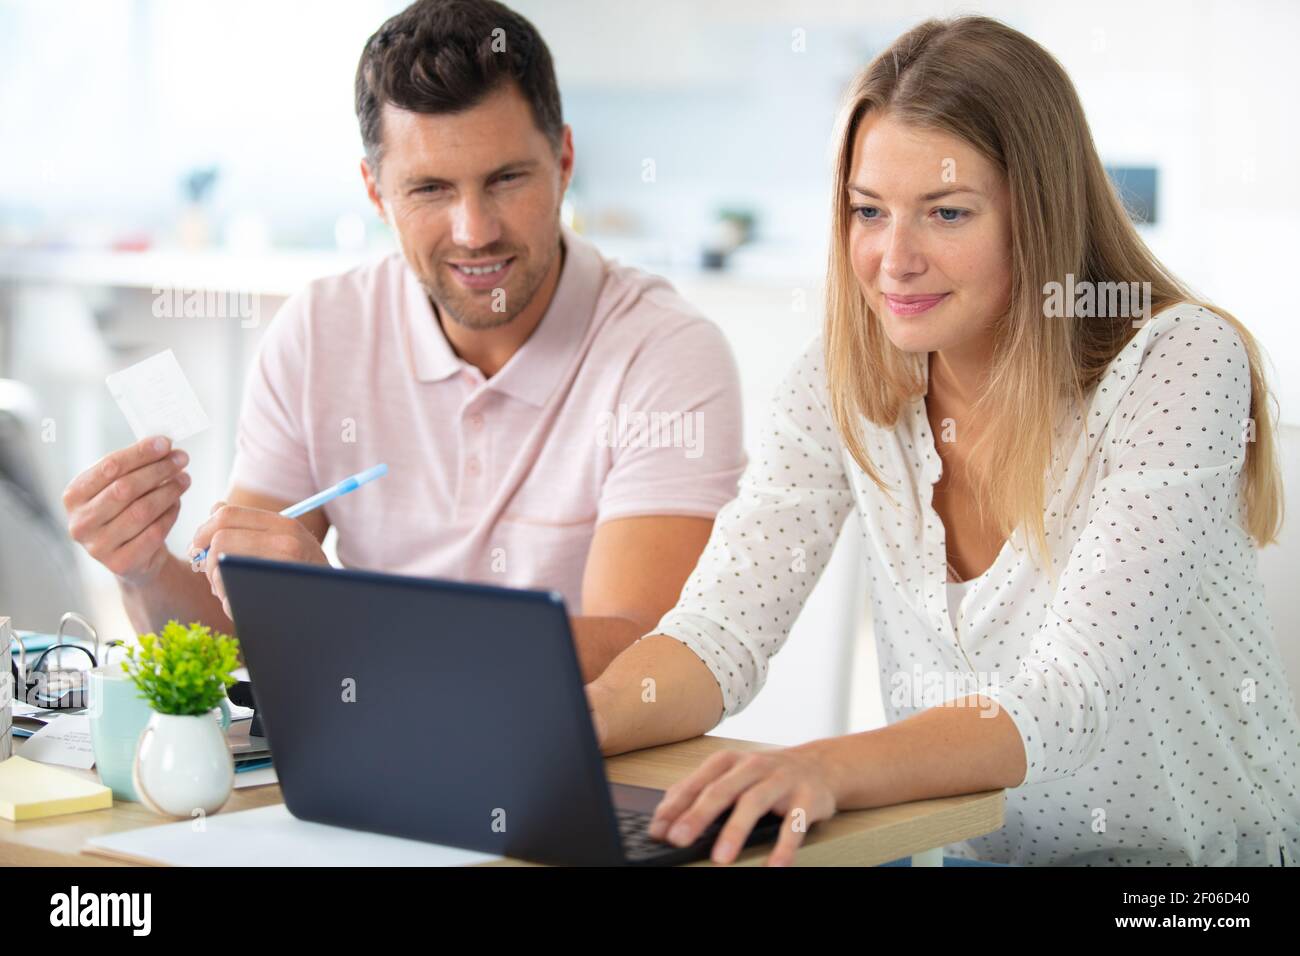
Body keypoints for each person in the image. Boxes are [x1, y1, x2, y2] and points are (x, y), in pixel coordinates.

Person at [586, 15, 1300, 866]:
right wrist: (581, 722)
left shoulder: (1177, 361)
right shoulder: (840, 379)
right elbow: (718, 635)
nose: (894, 259)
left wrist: (825, 766)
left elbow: (1068, 693)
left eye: (947, 213)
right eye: (868, 211)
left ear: (1039, 216)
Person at [61, 0, 745, 682]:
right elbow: (236, 641)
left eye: (506, 179)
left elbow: (646, 657)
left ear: (563, 161)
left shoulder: (664, 352)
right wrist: (146, 569)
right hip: (361, 733)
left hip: (580, 749)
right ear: (376, 192)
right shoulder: (319, 332)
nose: (475, 231)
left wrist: (345, 616)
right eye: (430, 189)